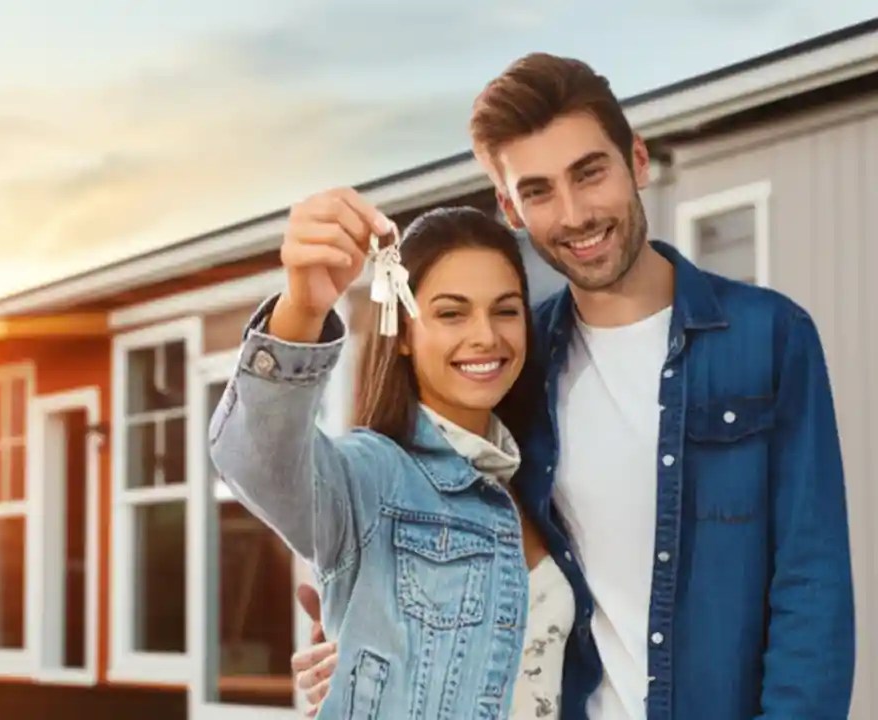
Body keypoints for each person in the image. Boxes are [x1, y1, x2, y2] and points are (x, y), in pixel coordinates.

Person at [290, 52, 856, 720]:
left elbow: (811, 597)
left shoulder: (769, 339)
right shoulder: (514, 363)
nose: (576, 214)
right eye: (538, 191)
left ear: (637, 161)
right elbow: (457, 546)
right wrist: (379, 646)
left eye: (590, 174)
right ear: (510, 208)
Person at [208, 201, 574, 718]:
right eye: (451, 312)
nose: (486, 336)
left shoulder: (537, 480)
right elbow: (256, 460)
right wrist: (303, 309)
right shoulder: (373, 477)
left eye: (505, 310)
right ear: (403, 333)